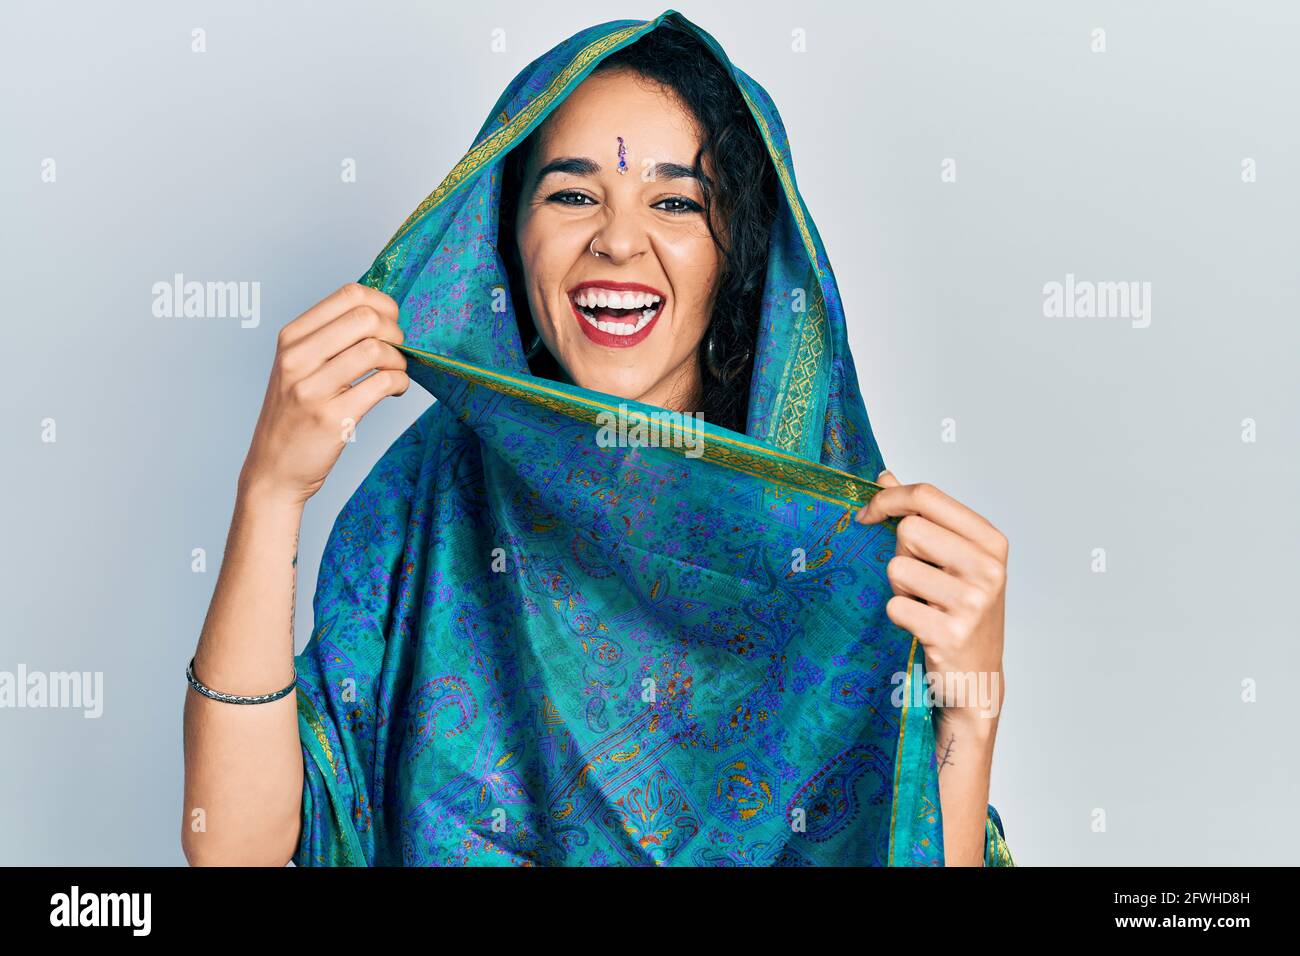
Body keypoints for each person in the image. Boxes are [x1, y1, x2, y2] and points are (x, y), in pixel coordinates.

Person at [182, 9, 1014, 867]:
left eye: (677, 202)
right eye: (573, 194)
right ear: (506, 235)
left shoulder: (845, 556)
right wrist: (270, 493)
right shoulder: (429, 499)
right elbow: (234, 850)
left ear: (737, 255)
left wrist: (970, 711)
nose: (618, 241)